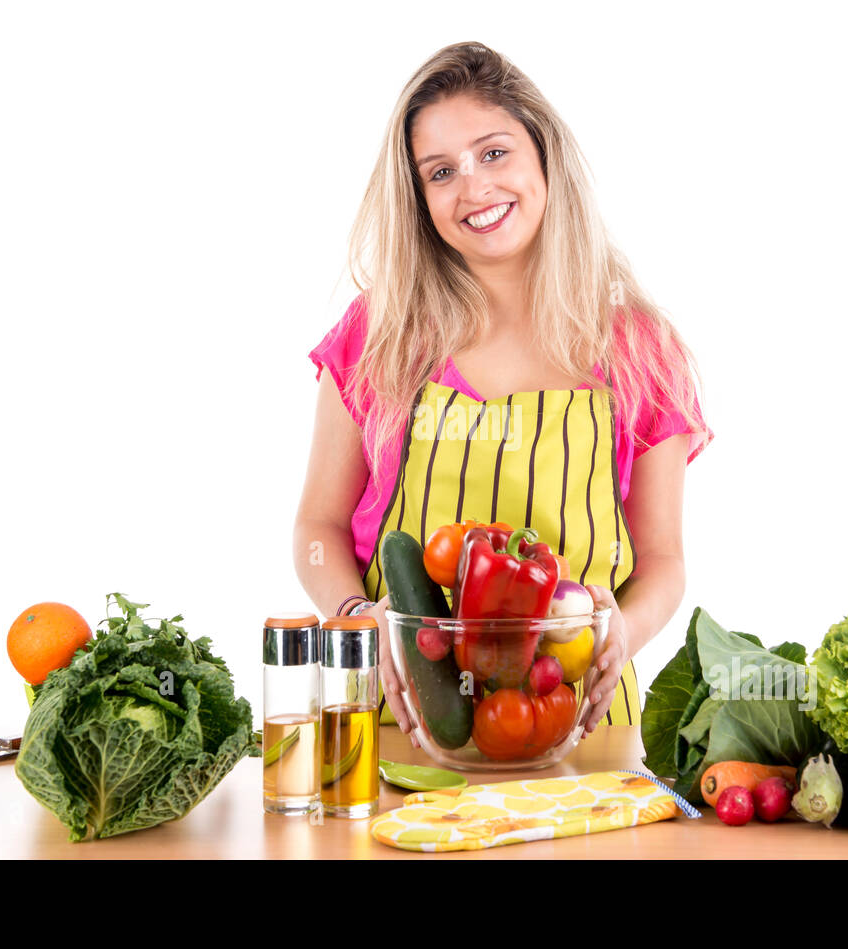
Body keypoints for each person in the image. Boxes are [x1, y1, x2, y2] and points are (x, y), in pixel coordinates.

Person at [293, 41, 712, 746]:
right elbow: (317, 528)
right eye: (441, 172)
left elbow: (663, 560)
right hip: (401, 721)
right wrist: (358, 619)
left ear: (542, 153)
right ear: (419, 199)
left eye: (494, 153)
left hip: (577, 721)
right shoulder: (382, 332)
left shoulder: (640, 349)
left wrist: (624, 630)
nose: (475, 189)